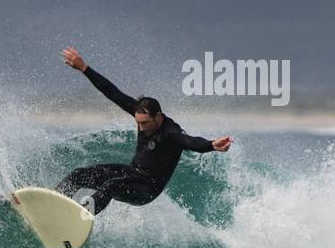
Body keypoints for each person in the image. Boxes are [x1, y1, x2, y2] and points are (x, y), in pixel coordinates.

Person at [55, 46, 232, 214]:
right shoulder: (141, 114)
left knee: (111, 185)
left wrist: (211, 145)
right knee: (80, 174)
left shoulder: (170, 133)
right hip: (131, 173)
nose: (141, 128)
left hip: (146, 189)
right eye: (138, 123)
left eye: (145, 123)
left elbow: (191, 142)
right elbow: (112, 92)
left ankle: (81, 217)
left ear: (158, 116)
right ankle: (51, 202)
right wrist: (84, 68)